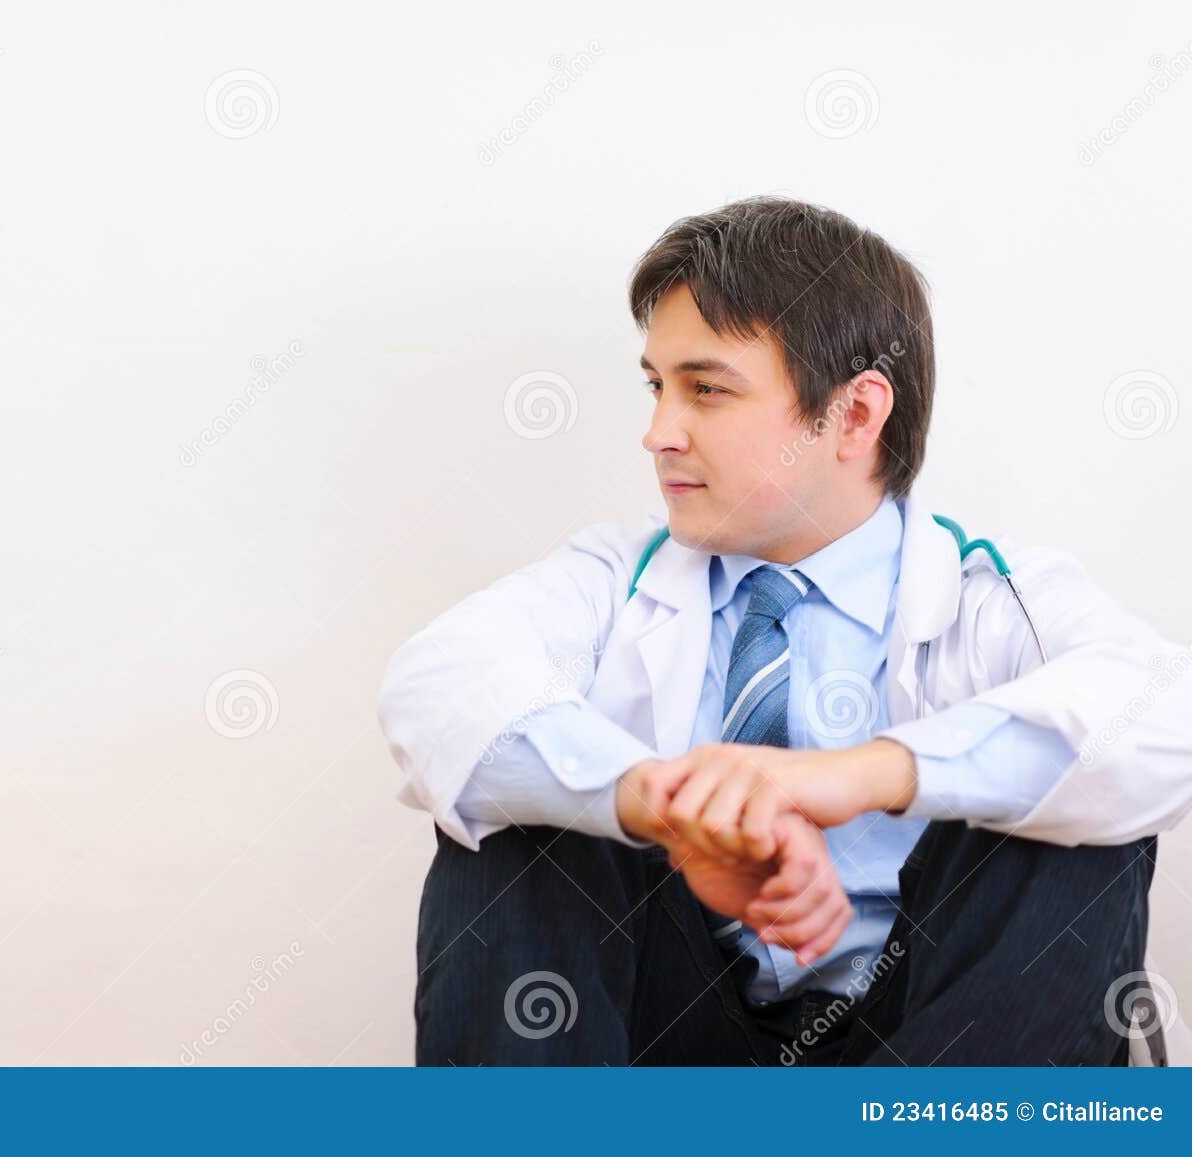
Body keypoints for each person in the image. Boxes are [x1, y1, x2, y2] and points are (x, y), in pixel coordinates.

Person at [377, 197, 1192, 1066]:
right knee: (527, 798)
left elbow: (1164, 713)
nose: (658, 433)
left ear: (855, 415)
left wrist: (858, 775)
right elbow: (439, 684)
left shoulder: (991, 596)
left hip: (923, 1048)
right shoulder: (611, 578)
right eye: (657, 386)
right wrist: (669, 806)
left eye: (706, 389)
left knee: (1067, 808)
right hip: (663, 1042)